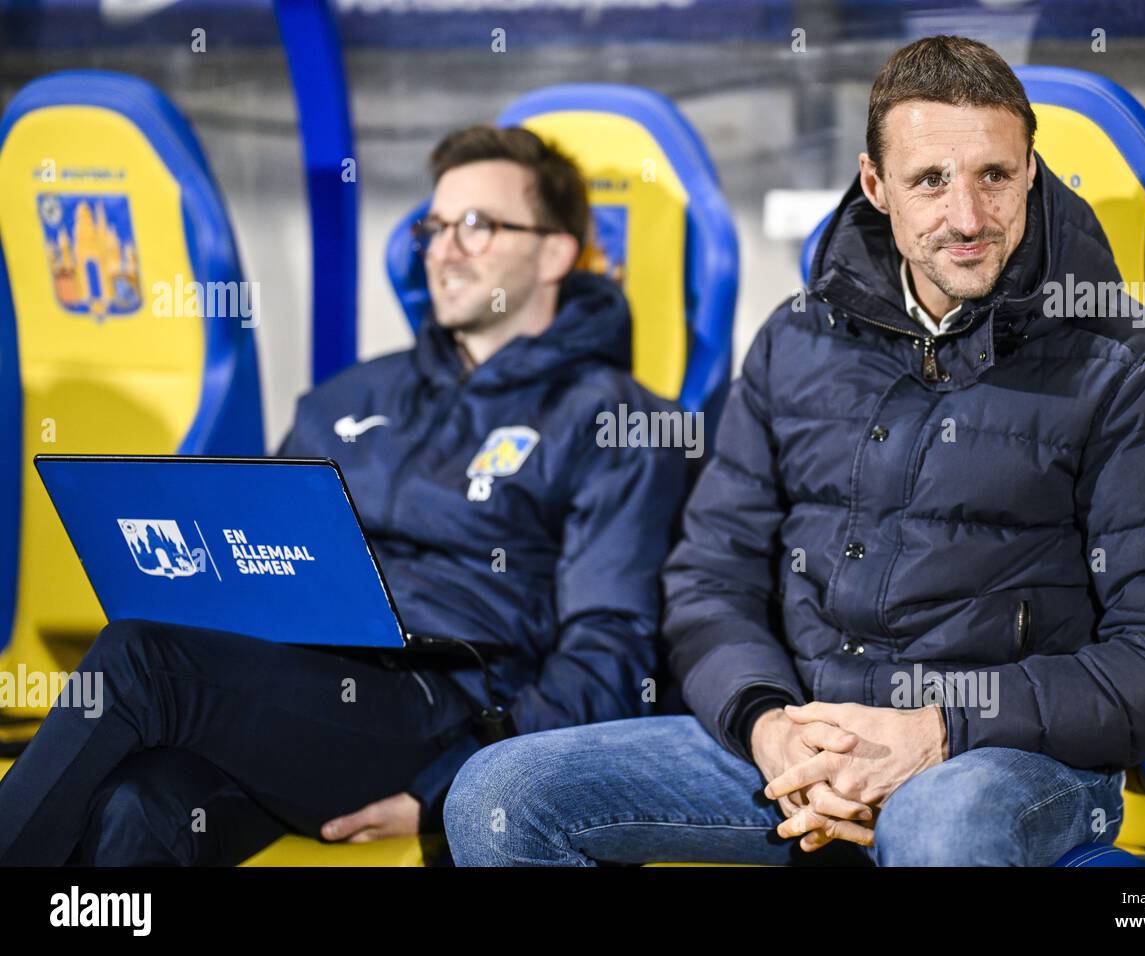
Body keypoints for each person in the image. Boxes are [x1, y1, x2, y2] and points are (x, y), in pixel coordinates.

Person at [441, 36, 1145, 867]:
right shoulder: (795, 339)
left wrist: (938, 730)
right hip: (803, 742)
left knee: (938, 828)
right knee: (503, 794)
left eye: (994, 176)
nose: (966, 217)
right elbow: (712, 573)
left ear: (1031, 172)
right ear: (874, 185)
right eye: (930, 179)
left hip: (1011, 760)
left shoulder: (1137, 368)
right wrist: (767, 723)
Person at [0, 125, 686, 866]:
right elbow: (252, 553)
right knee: (138, 810)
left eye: (478, 226)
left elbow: (607, 650)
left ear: (555, 251)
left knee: (142, 661)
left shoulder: (617, 422)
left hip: (444, 708)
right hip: (292, 695)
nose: (444, 248)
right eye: (433, 226)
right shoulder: (350, 395)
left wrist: (446, 785)